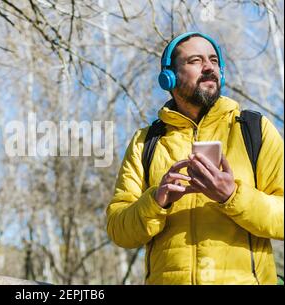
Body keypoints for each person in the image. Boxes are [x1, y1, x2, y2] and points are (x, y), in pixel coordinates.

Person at [106, 32, 284, 285]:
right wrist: (156, 201)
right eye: (195, 61)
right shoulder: (145, 141)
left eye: (213, 60)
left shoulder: (254, 129)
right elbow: (118, 230)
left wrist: (232, 195)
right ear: (168, 76)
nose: (209, 67)